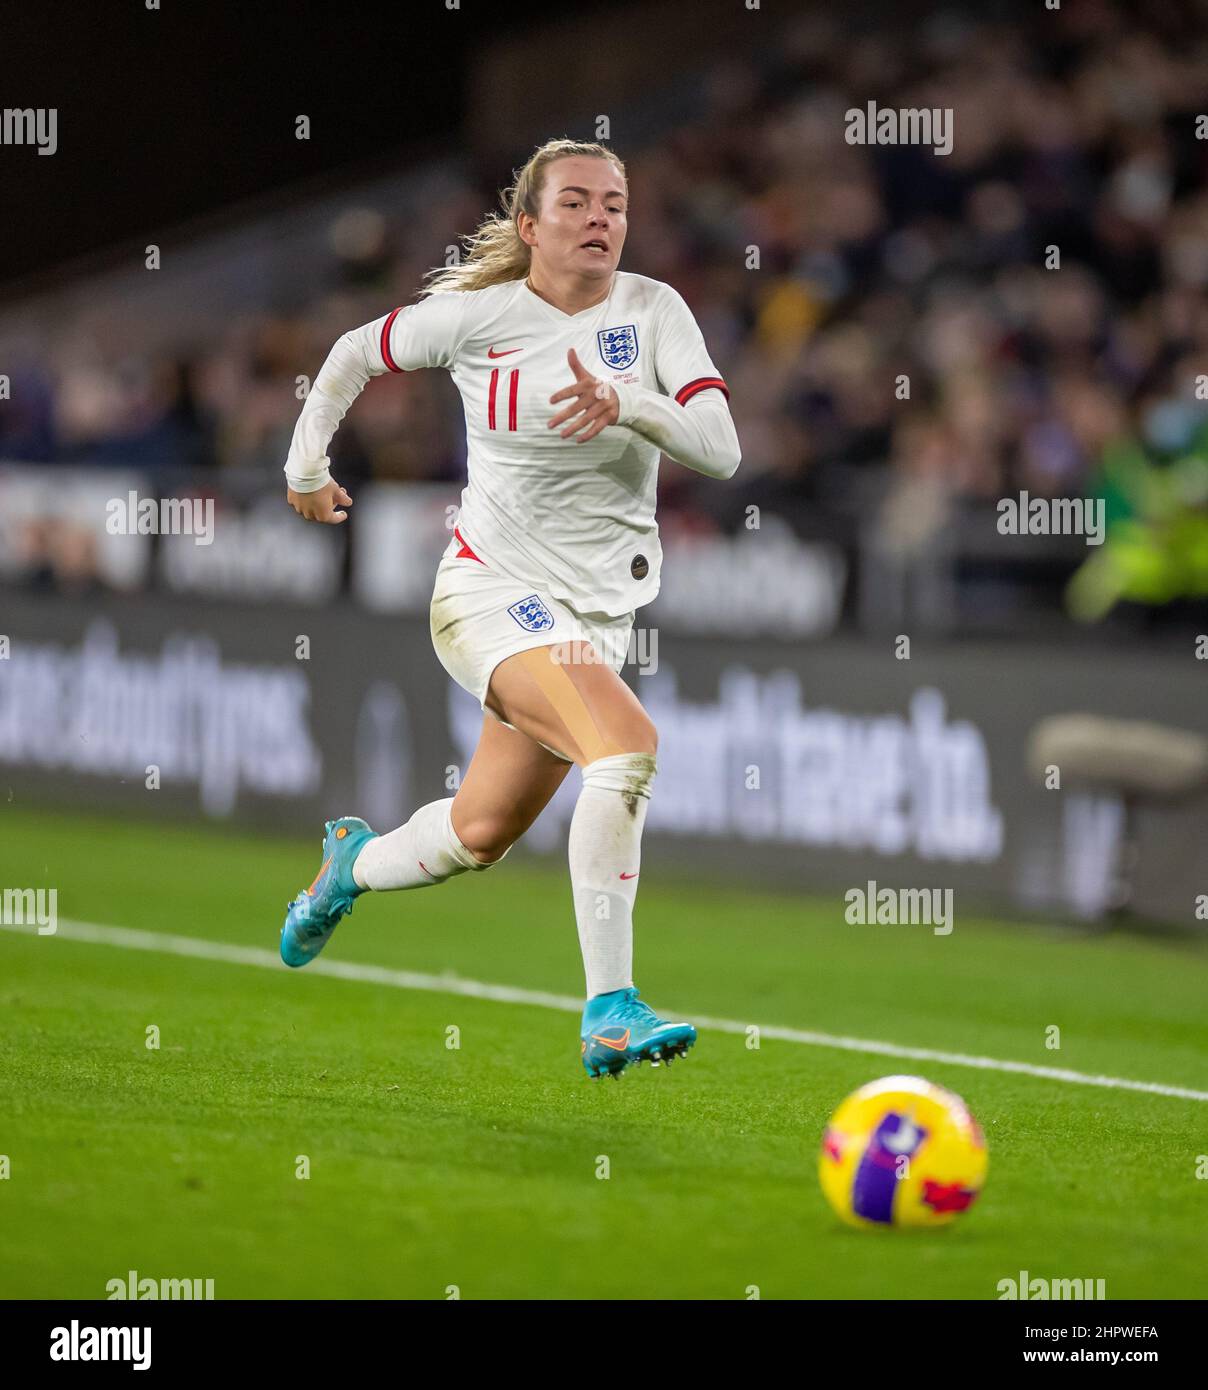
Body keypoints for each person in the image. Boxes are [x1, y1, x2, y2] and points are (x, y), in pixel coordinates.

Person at [279, 138, 740, 1077]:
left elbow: (721, 449)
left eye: (613, 203)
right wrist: (305, 469)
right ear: (529, 227)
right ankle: (611, 1009)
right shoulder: (477, 316)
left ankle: (347, 868)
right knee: (627, 750)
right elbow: (351, 354)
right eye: (575, 203)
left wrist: (630, 406)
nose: (600, 218)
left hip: (592, 621)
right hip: (491, 592)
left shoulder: (656, 312)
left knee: (476, 836)